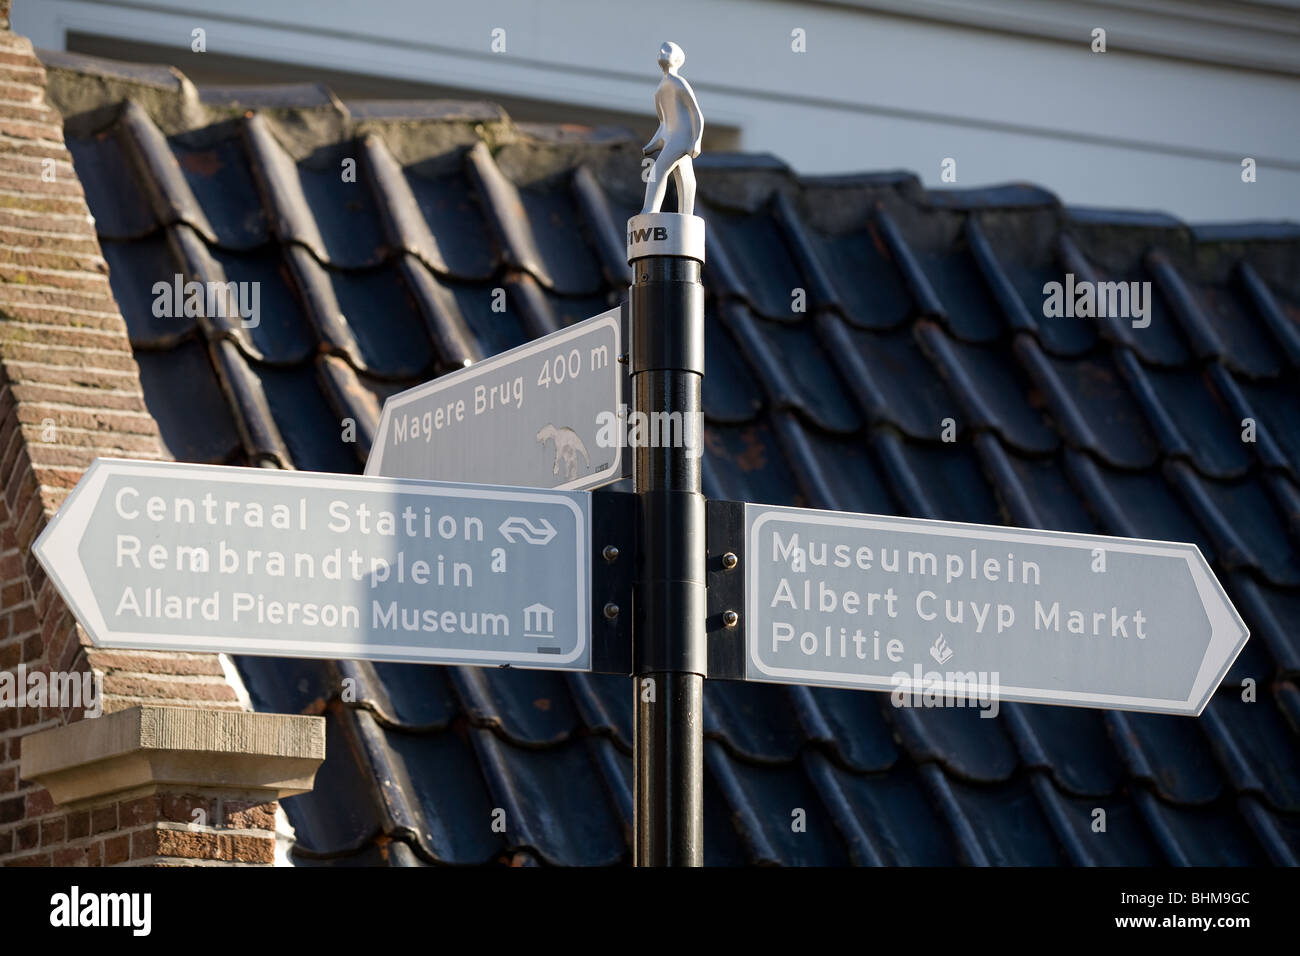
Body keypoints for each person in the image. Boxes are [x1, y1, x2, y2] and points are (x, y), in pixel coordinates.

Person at [640, 41, 704, 216]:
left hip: (681, 138)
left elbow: (696, 113)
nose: (661, 52)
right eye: (661, 49)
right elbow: (664, 123)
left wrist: (697, 141)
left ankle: (650, 210)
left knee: (658, 170)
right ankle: (687, 215)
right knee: (686, 178)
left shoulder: (679, 82)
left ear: (676, 59)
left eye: (667, 50)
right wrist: (652, 145)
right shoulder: (660, 88)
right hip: (671, 138)